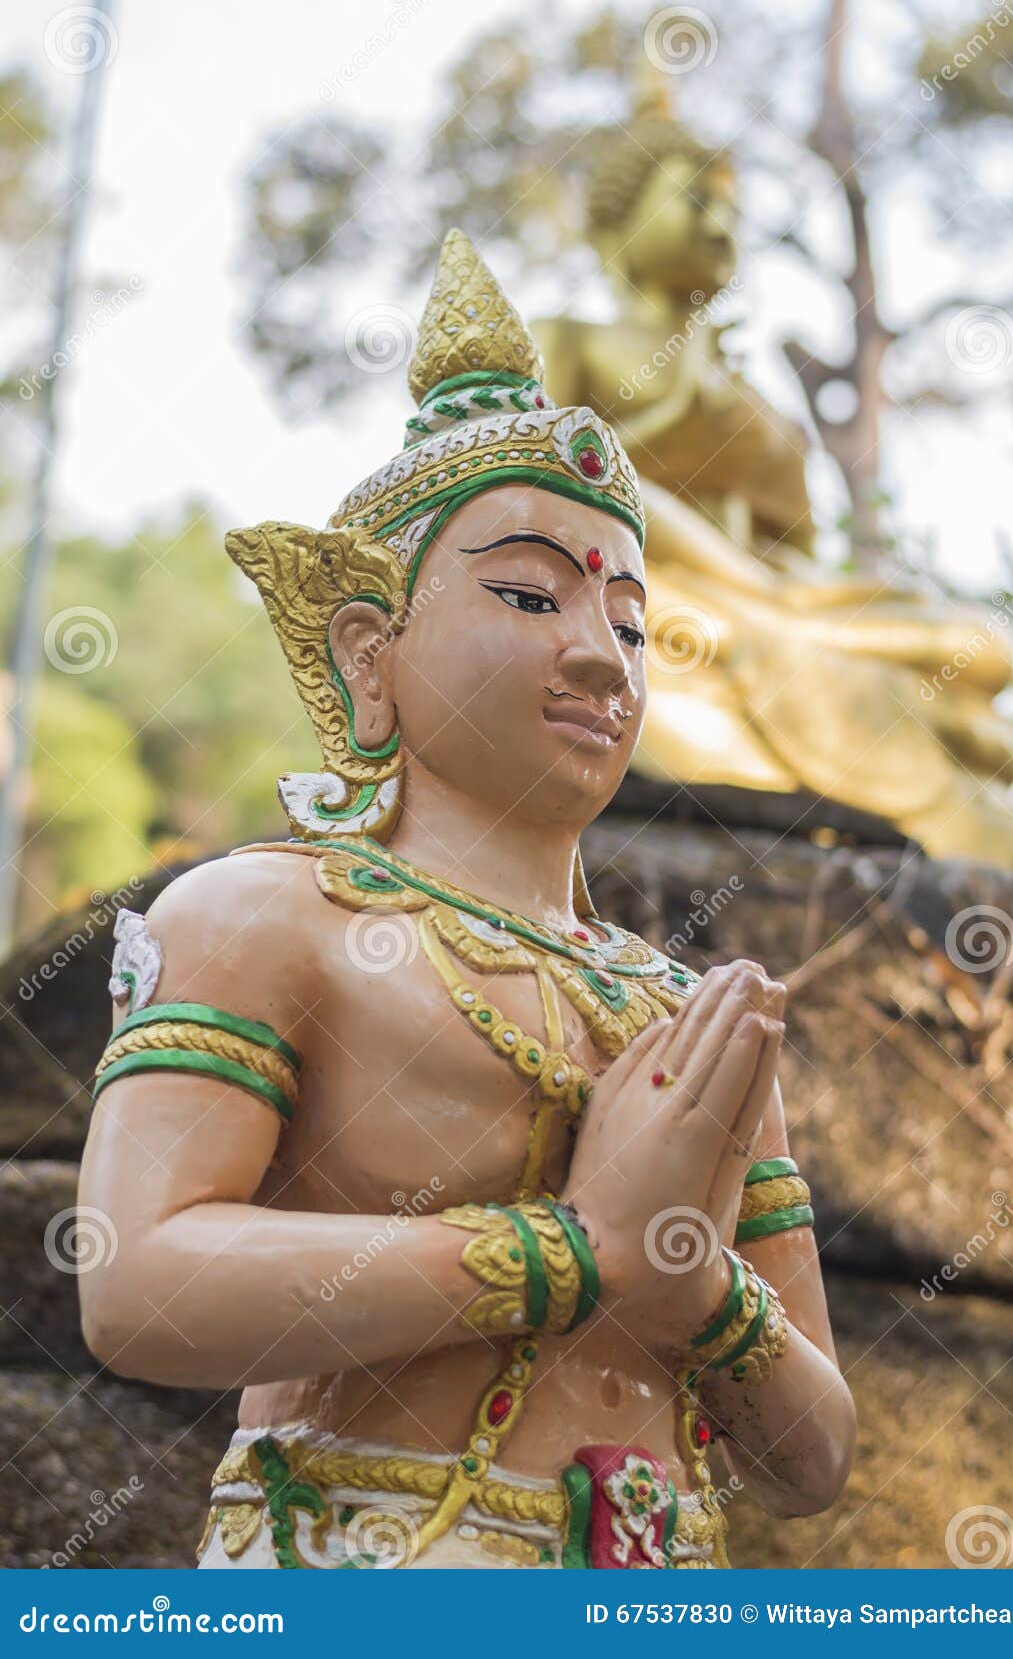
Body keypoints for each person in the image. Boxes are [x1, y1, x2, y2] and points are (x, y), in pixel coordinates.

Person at [78, 229, 854, 1571]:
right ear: (370, 656)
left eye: (626, 617)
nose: (599, 658)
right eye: (525, 591)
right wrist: (576, 1253)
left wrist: (699, 1290)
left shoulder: (674, 1008)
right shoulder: (264, 917)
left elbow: (816, 1454)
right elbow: (138, 1283)